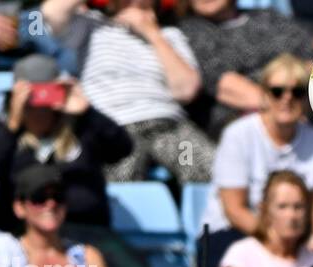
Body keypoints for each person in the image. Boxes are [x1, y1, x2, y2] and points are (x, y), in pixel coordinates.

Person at [40, 0, 214, 184]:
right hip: (116, 130)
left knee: (207, 170)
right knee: (120, 182)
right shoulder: (92, 25)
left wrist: (153, 35)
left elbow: (186, 90)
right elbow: (51, 13)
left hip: (169, 129)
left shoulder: (170, 35)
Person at [201, 53, 313, 267]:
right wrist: (275, 242)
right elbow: (234, 210)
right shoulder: (238, 135)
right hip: (234, 232)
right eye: (277, 91)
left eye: (297, 92)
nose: (287, 98)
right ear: (264, 95)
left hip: (295, 237)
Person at [0, 53, 133, 235]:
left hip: (86, 231)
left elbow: (123, 148)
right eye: (30, 100)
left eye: (46, 98)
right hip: (27, 238)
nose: (39, 109)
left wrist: (88, 113)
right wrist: (12, 124)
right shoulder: (7, 137)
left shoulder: (83, 129)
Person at [177, 0, 313, 139]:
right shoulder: (190, 31)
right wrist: (284, 108)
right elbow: (223, 84)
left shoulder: (269, 17)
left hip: (300, 106)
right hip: (239, 122)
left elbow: (310, 61)